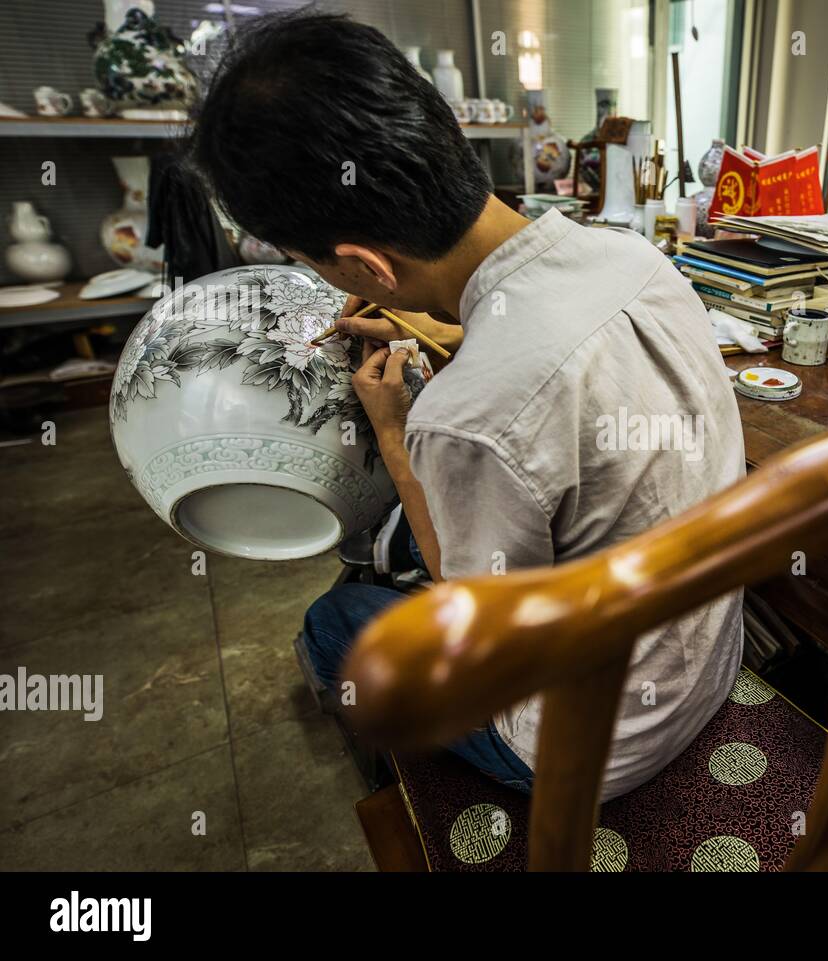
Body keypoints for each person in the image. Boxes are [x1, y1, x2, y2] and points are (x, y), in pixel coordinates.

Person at [189, 11, 745, 799]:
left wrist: (394, 433)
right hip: (706, 660)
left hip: (594, 747)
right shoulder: (636, 257)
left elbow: (476, 629)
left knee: (335, 617)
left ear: (363, 266)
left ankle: (399, 782)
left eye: (319, 267)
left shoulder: (465, 420)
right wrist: (440, 325)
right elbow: (545, 358)